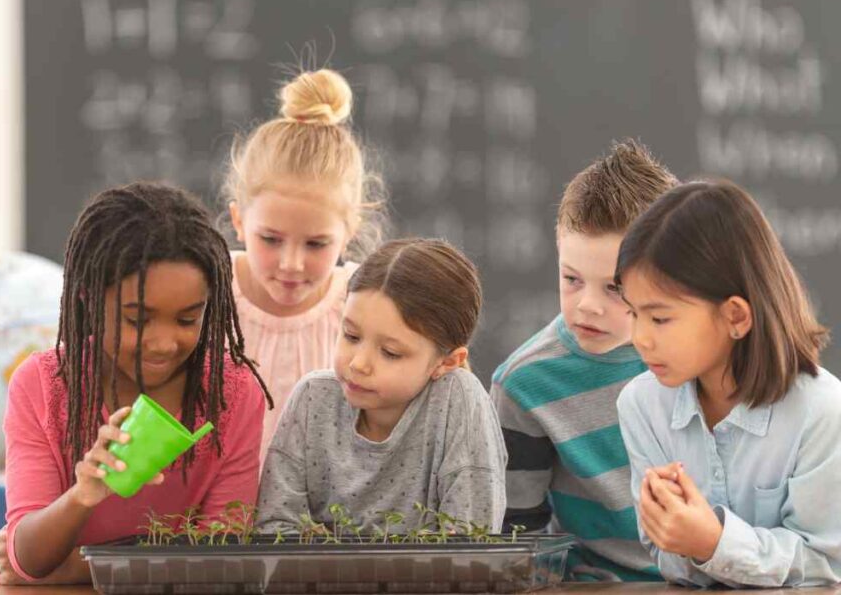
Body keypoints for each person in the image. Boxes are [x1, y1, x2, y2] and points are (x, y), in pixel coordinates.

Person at [0, 182, 270, 584]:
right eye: (138, 319)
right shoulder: (45, 384)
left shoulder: (233, 393)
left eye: (188, 319)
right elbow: (29, 559)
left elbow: (220, 557)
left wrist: (76, 568)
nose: (165, 342)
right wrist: (83, 495)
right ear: (88, 298)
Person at [616, 179, 841, 587]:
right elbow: (661, 554)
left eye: (660, 318)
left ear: (736, 317)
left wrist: (713, 543)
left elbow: (828, 566)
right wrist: (685, 541)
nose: (639, 338)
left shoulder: (823, 411)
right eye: (632, 313)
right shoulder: (640, 405)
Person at [491, 140, 677, 580]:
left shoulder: (701, 360)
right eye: (571, 279)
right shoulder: (524, 384)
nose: (587, 306)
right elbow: (520, 540)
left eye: (614, 288)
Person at [256, 238, 506, 535]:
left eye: (390, 353)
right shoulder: (313, 398)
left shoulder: (459, 399)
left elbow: (471, 538)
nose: (359, 364)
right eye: (350, 336)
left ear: (447, 362)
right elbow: (273, 526)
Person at [224, 67, 386, 459]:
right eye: (271, 239)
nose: (292, 264)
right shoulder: (206, 293)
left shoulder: (367, 305)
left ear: (350, 230)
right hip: (214, 518)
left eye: (316, 243)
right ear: (239, 221)